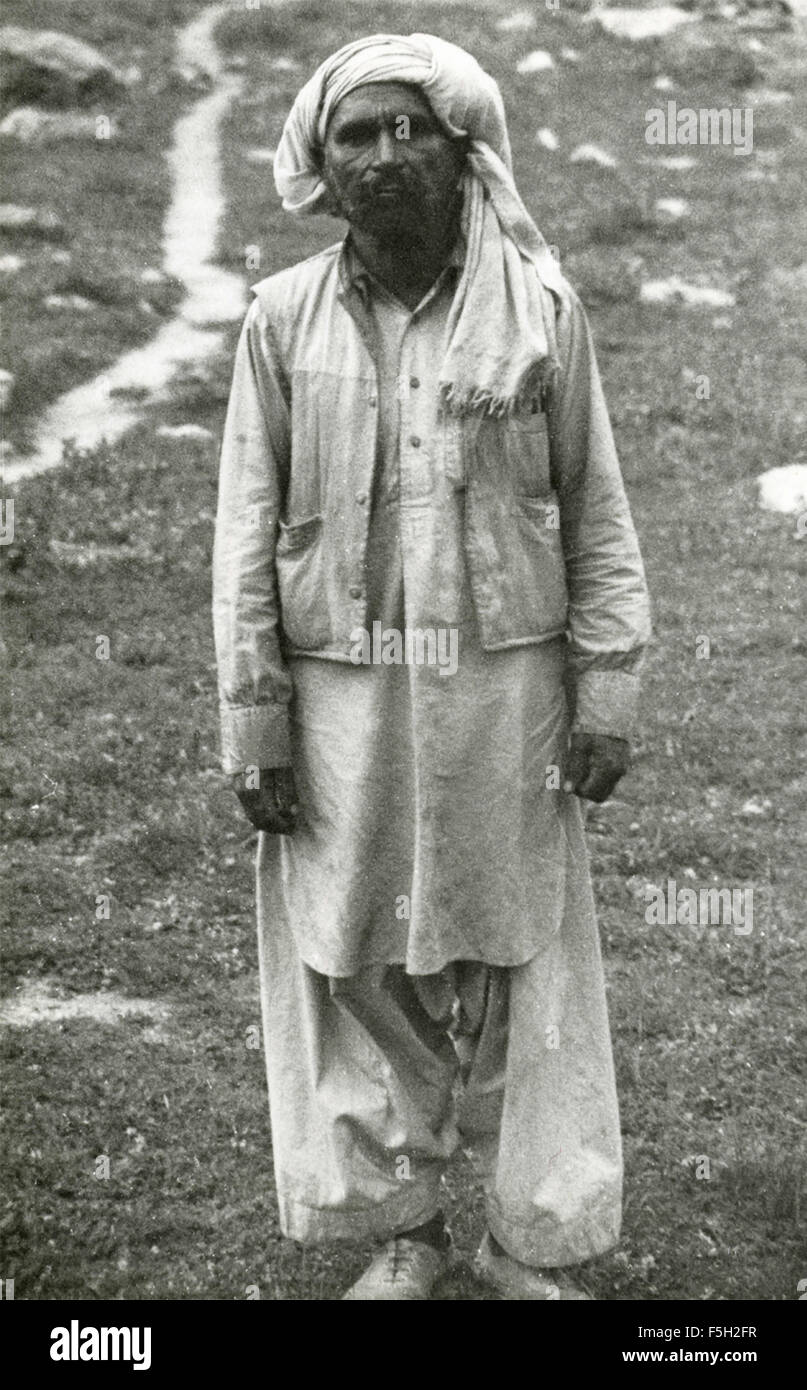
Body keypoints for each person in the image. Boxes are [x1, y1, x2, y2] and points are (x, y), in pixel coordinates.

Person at [212, 33, 651, 1300]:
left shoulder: (542, 309)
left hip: (505, 690)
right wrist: (258, 723)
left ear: (464, 150)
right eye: (360, 135)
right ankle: (404, 1227)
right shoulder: (280, 320)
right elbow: (246, 532)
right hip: (338, 692)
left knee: (519, 952)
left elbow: (600, 510)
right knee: (353, 955)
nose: (389, 156)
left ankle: (527, 1238)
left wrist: (605, 692)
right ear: (323, 167)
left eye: (415, 130)